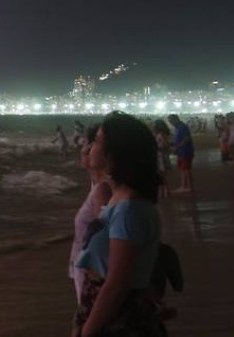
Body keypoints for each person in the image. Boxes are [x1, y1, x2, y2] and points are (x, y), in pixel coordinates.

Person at [73, 112, 166, 337]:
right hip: (109, 311)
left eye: (96, 141)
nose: (88, 147)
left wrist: (87, 331)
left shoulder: (128, 209)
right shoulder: (119, 201)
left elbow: (116, 285)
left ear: (114, 155)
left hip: (120, 320)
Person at [71, 124, 113, 301]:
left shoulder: (103, 190)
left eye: (94, 142)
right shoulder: (98, 182)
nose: (87, 147)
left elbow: (104, 241)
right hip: (86, 266)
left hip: (94, 274)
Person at [167, 114, 194, 193]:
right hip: (181, 151)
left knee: (186, 169)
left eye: (171, 121)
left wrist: (178, 146)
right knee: (183, 169)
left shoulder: (182, 127)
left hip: (185, 151)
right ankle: (184, 186)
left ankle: (189, 186)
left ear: (175, 119)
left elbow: (187, 139)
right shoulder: (178, 127)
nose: (170, 123)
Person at [153, 120, 172, 199]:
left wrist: (157, 147)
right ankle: (164, 192)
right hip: (162, 156)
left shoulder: (161, 134)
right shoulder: (162, 134)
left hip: (161, 157)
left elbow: (165, 145)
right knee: (162, 175)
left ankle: (165, 192)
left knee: (161, 175)